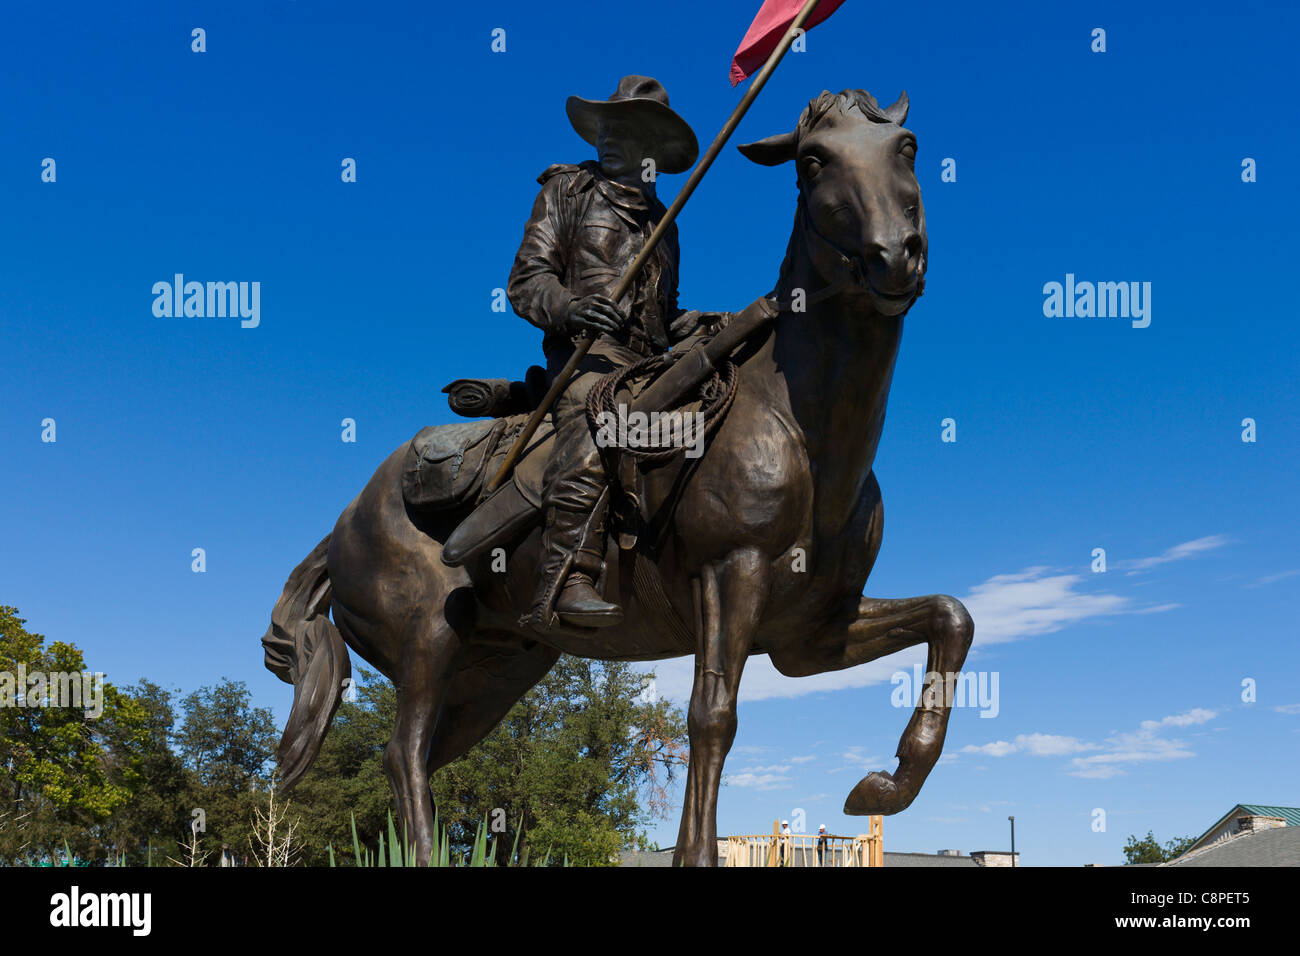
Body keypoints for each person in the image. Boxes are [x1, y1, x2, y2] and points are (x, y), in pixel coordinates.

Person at [507, 75, 702, 631]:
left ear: (654, 149)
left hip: (648, 365)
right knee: (601, 419)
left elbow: (665, 315)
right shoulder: (566, 190)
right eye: (607, 127)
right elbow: (526, 280)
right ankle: (567, 575)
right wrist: (569, 308)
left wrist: (698, 324)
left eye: (628, 130)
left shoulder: (666, 226)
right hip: (586, 359)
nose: (611, 138)